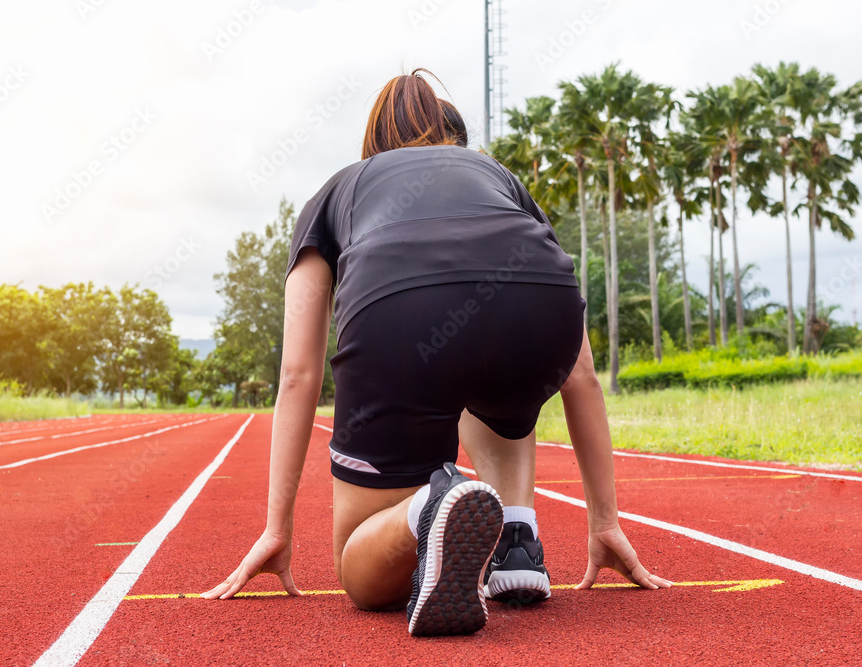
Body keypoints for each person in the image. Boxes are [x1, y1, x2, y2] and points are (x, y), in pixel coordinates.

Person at [203, 69, 671, 637]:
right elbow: (581, 372)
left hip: (399, 317)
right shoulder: (497, 176)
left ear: (374, 146)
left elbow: (298, 374)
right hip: (536, 315)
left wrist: (278, 530)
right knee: (490, 372)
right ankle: (518, 539)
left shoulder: (337, 190)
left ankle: (427, 509)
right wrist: (605, 520)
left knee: (363, 572)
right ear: (457, 140)